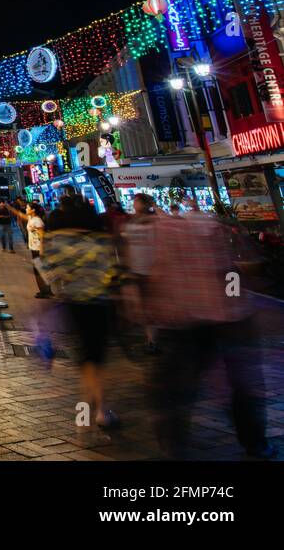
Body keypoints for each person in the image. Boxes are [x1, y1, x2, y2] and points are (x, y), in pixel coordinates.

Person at [129, 205, 275, 459]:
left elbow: (157, 275)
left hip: (185, 320)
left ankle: (174, 446)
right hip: (230, 318)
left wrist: (150, 309)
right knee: (241, 384)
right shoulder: (214, 228)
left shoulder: (161, 232)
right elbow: (237, 270)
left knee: (174, 389)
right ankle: (255, 443)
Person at [41, 187, 123, 430]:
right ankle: (100, 409)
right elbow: (113, 271)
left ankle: (90, 408)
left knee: (86, 358)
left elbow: (49, 274)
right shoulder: (101, 240)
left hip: (73, 305)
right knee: (98, 357)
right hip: (100, 303)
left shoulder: (57, 240)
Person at [25, 202, 53, 297]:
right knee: (40, 270)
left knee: (39, 270)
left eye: (27, 208)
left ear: (33, 210)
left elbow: (42, 236)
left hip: (38, 249)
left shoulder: (37, 221)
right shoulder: (32, 219)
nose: (26, 209)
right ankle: (46, 291)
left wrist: (41, 249)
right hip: (34, 248)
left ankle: (45, 292)